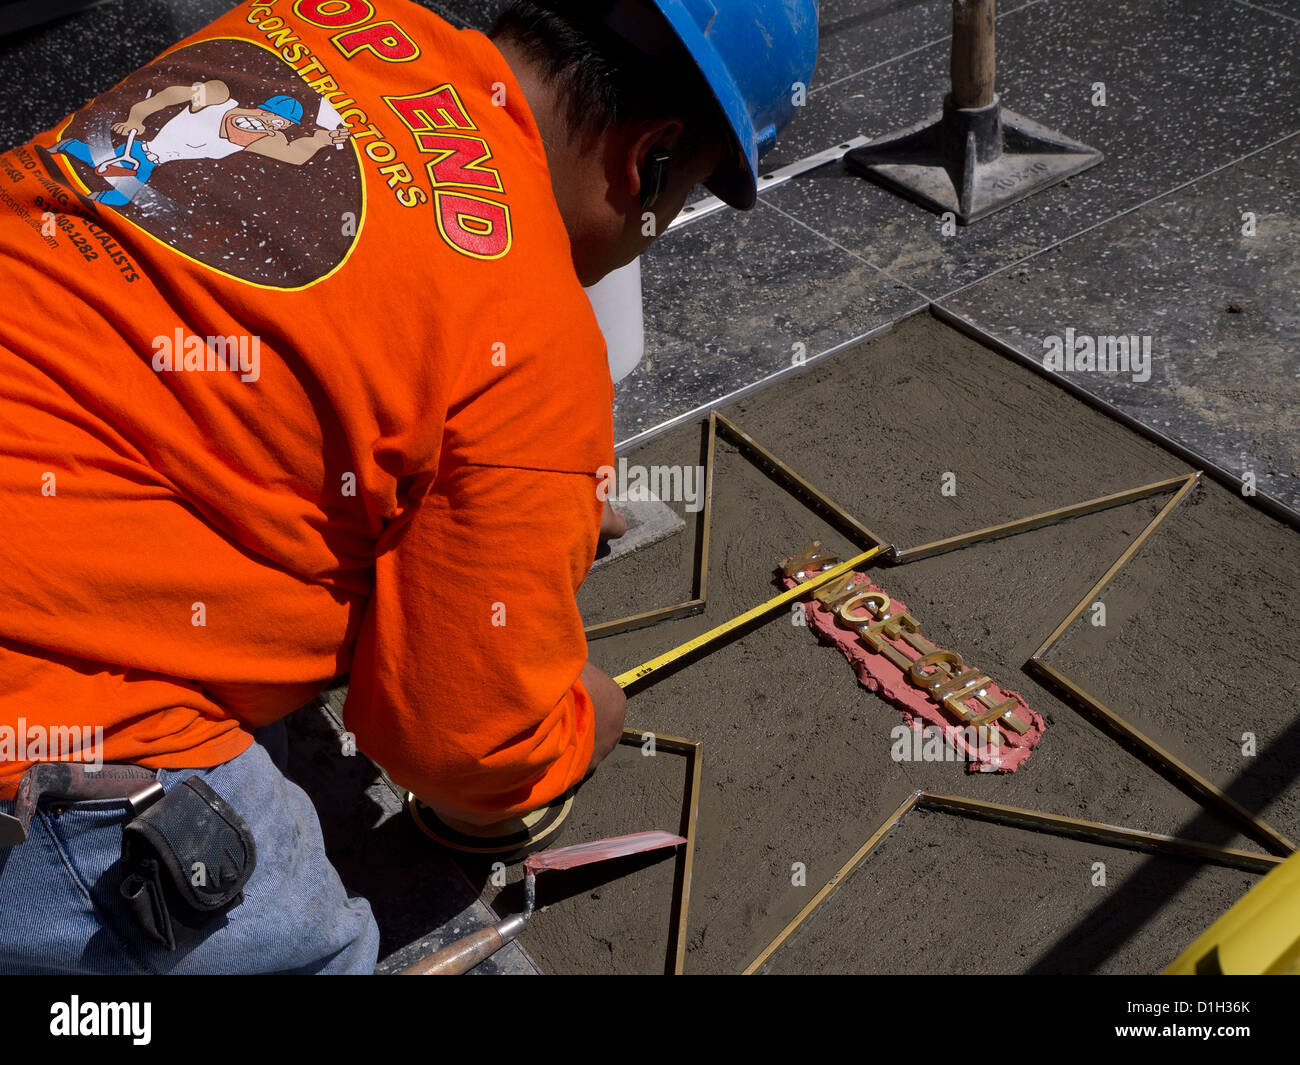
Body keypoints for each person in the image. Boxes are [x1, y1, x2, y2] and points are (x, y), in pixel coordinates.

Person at [0, 0, 818, 973]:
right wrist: (581, 719)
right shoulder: (535, 346)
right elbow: (463, 753)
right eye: (682, 193)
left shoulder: (323, 20)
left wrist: (494, 497)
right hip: (45, 727)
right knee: (324, 954)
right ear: (651, 159)